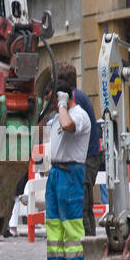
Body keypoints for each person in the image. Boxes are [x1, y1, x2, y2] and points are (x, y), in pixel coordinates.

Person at [36, 77, 92, 260]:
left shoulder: (79, 115)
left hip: (71, 172)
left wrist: (61, 104)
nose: (52, 105)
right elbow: (39, 130)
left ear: (63, 97)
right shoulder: (57, 115)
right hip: (56, 173)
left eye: (53, 100)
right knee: (53, 222)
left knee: (71, 221)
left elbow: (68, 125)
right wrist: (44, 108)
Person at [52, 64, 103, 237]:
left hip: (85, 159)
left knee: (82, 208)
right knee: (85, 208)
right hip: (89, 156)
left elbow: (68, 125)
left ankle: (87, 248)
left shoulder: (74, 99)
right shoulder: (78, 95)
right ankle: (89, 246)